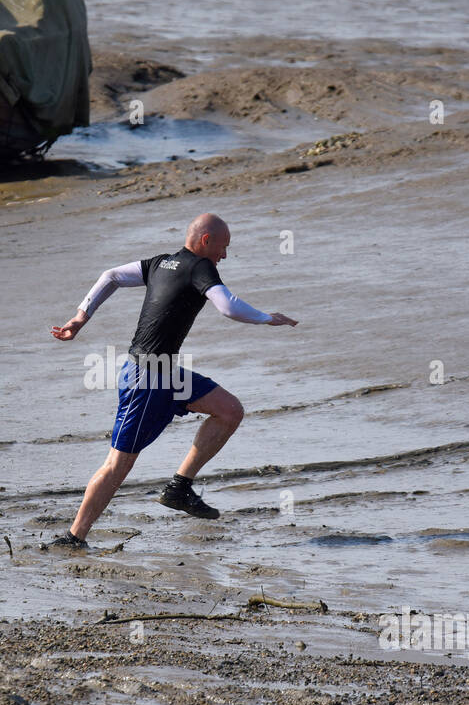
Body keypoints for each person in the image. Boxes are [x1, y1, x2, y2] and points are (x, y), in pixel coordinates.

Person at [48, 213, 298, 548]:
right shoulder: (200, 267)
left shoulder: (159, 263)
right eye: (223, 247)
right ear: (206, 241)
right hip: (146, 378)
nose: (224, 256)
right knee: (117, 466)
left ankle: (179, 487)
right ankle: (73, 538)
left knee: (229, 410)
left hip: (164, 373)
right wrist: (268, 319)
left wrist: (81, 316)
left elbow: (111, 276)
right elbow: (227, 307)